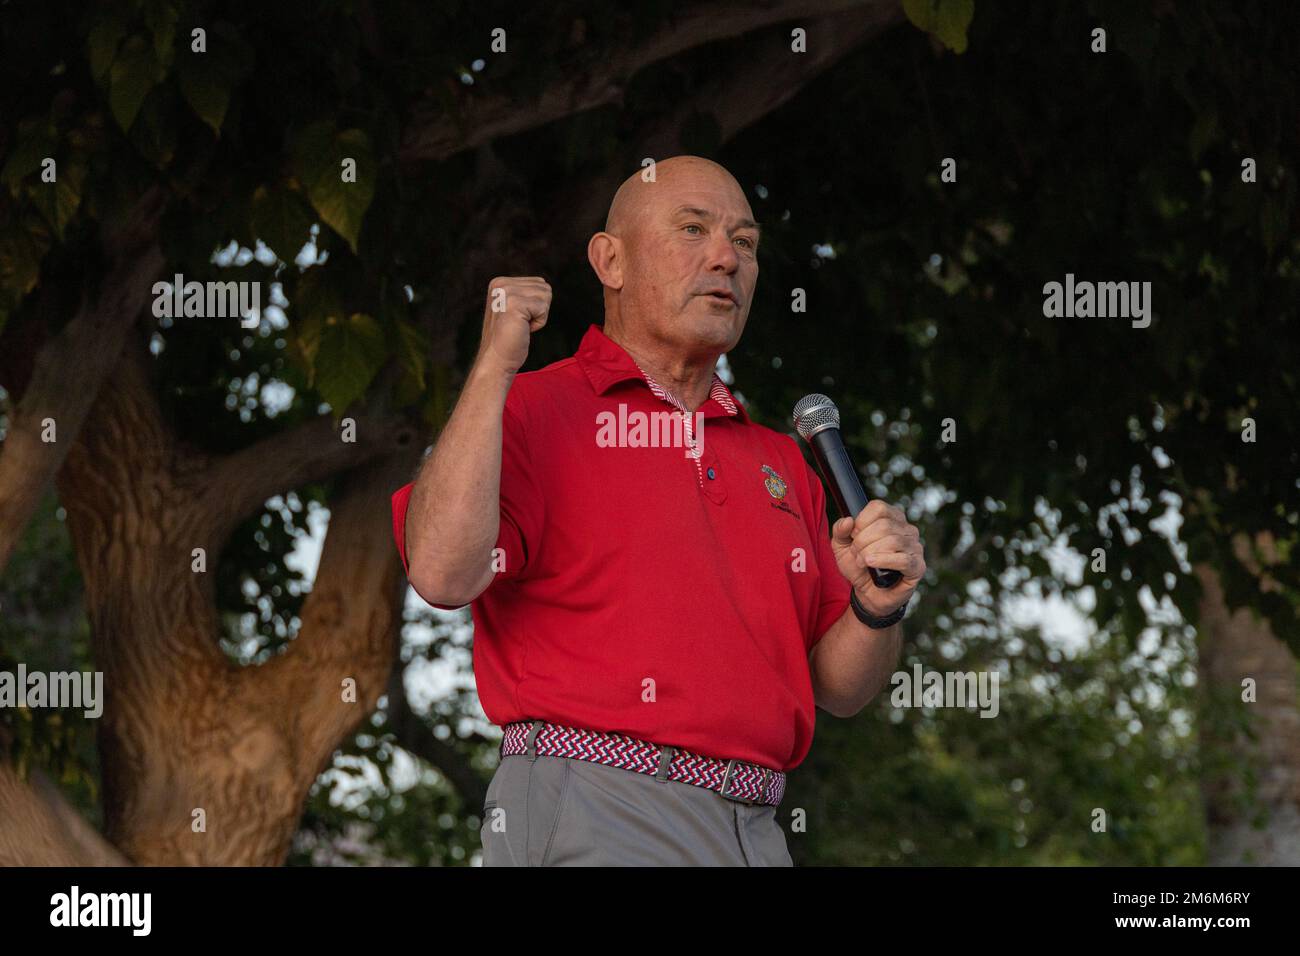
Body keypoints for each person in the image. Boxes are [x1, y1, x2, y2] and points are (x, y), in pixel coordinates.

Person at [390, 156, 926, 866]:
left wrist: (876, 607)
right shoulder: (530, 409)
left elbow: (839, 688)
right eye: (693, 229)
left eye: (745, 241)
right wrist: (492, 367)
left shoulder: (783, 460)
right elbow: (440, 573)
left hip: (756, 825)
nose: (725, 258)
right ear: (609, 261)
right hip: (596, 806)